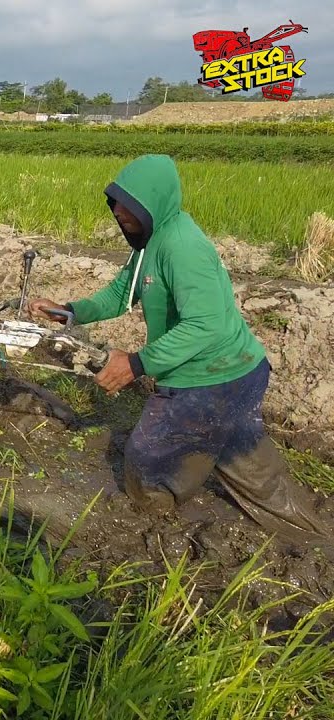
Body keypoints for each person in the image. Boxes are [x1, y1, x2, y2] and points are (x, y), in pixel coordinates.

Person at [28, 153, 331, 546]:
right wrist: (71, 312)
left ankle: (159, 536)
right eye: (116, 202)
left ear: (153, 204)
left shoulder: (182, 247)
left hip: (212, 379)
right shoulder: (149, 244)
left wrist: (137, 364)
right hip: (233, 374)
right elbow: (122, 293)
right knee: (247, 463)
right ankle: (312, 536)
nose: (118, 212)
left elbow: (206, 325)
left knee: (148, 462)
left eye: (129, 205)